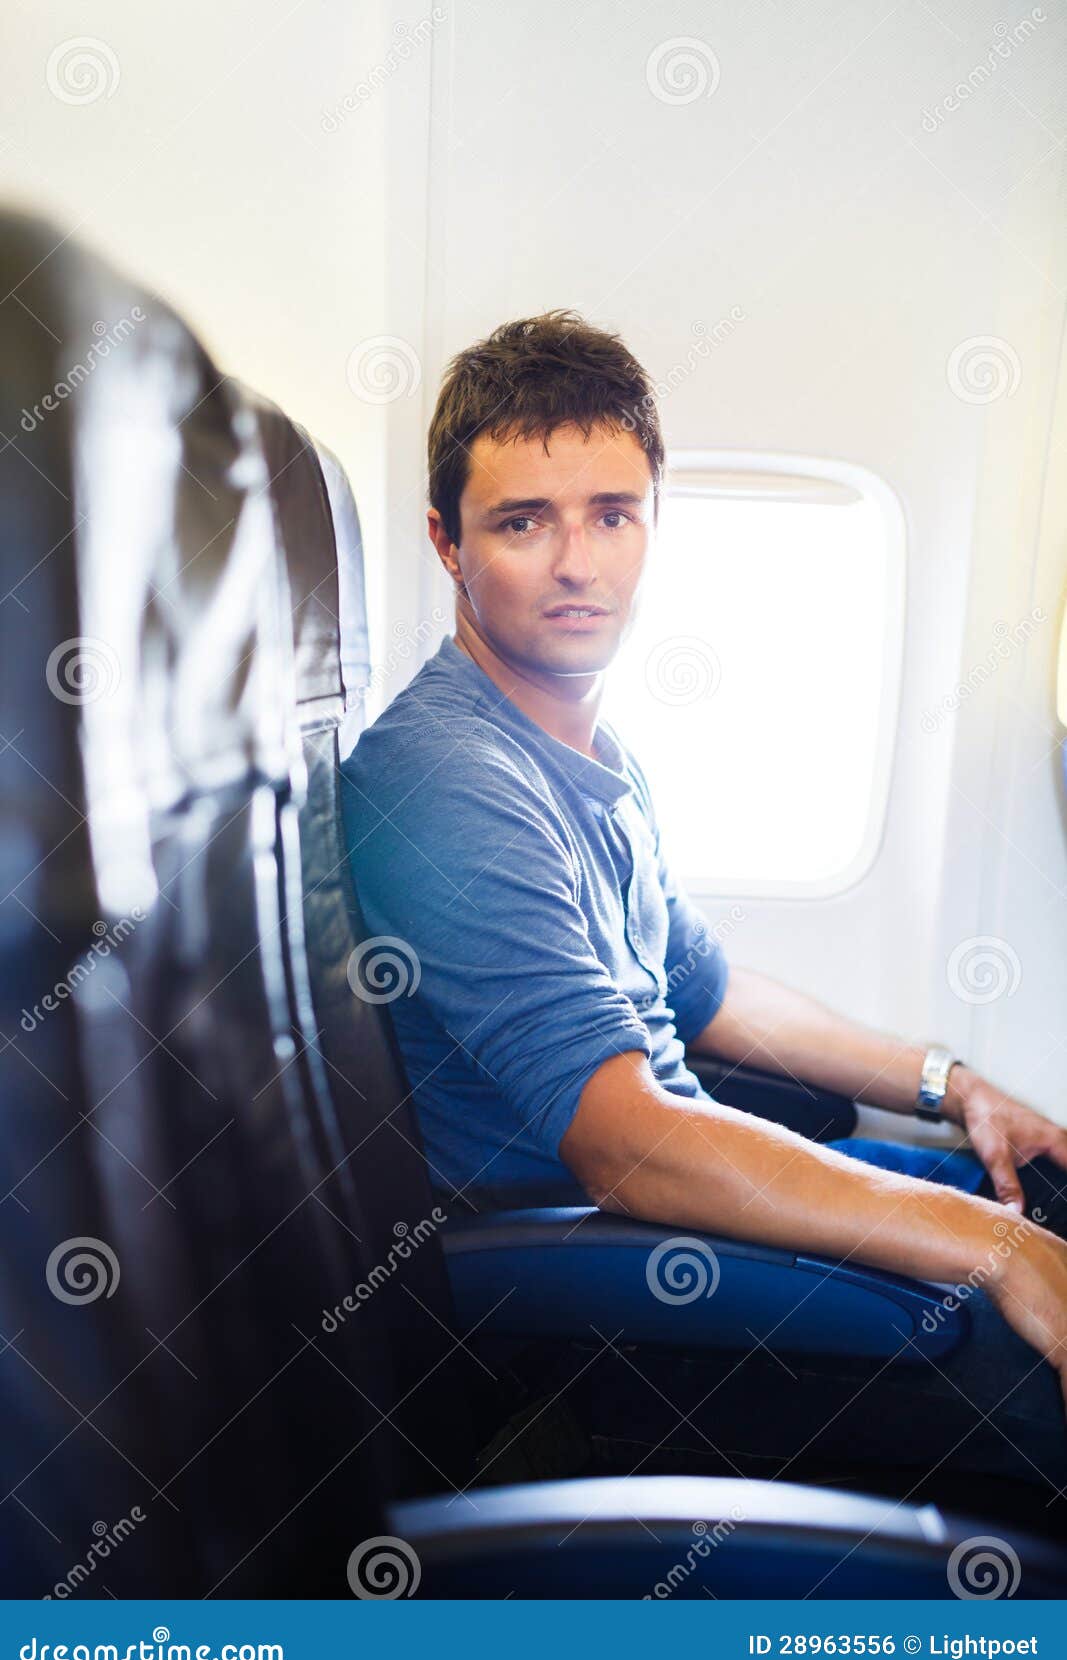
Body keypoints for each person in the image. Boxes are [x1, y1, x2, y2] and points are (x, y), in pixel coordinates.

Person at [340, 310, 1067, 1511]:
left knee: (1041, 1195)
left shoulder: (591, 752)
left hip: (686, 1219)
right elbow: (626, 1138)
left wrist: (953, 1084)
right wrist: (990, 1250)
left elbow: (710, 991)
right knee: (1029, 1354)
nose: (578, 565)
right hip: (604, 1294)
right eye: (523, 522)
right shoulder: (445, 783)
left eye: (611, 514)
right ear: (447, 543)